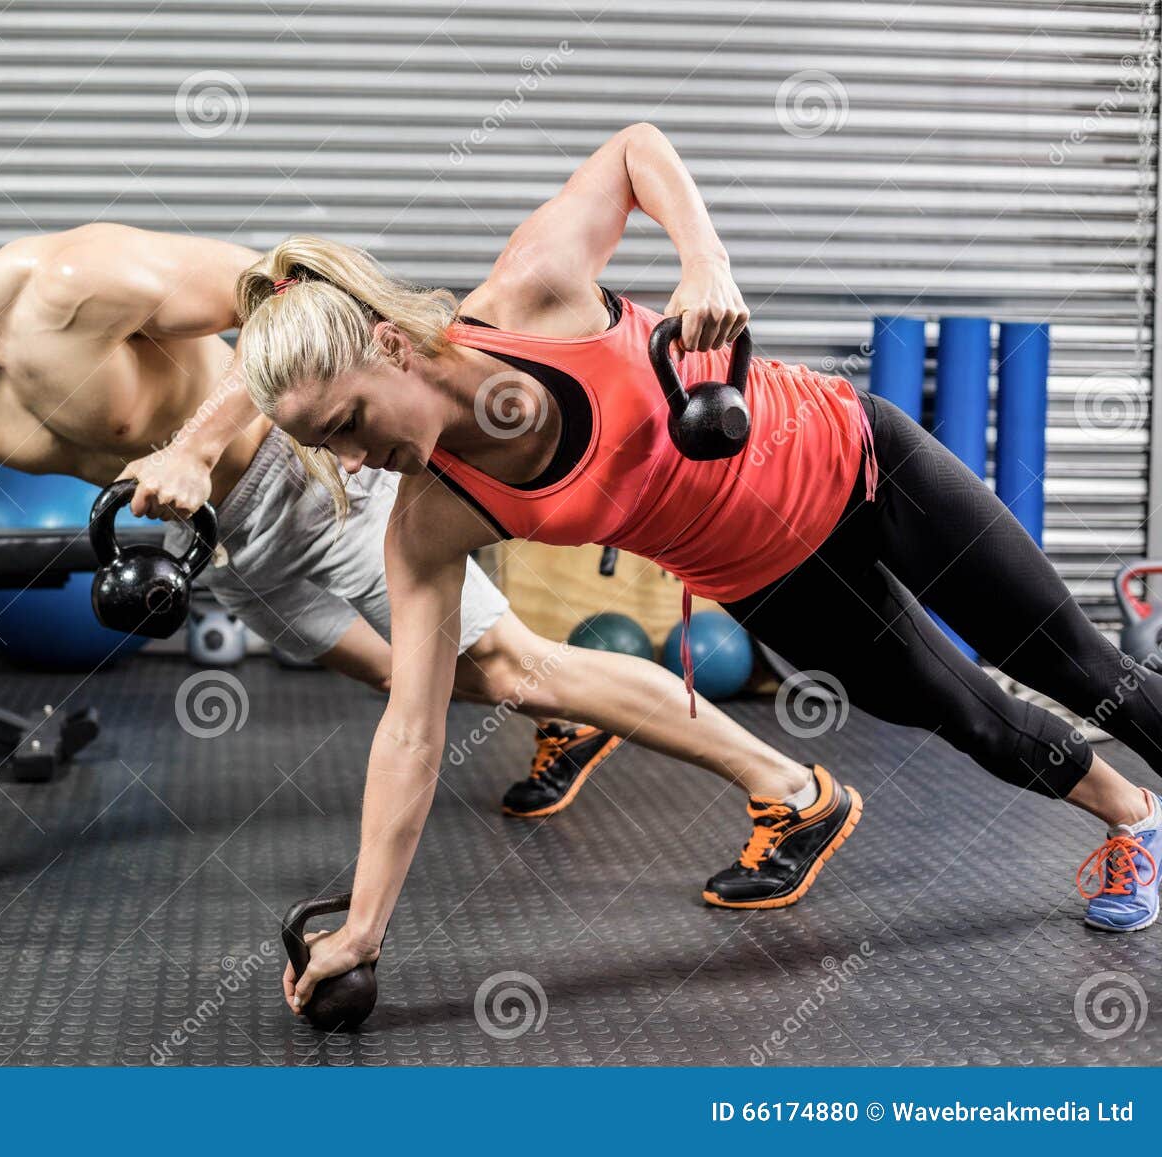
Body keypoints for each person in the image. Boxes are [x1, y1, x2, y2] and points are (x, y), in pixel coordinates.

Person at [230, 121, 1162, 1014]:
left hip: (860, 467)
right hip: (772, 584)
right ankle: (1132, 815)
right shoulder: (427, 523)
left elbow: (634, 149)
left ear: (390, 346)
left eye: (349, 423)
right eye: (326, 447)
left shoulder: (532, 294)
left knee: (1082, 668)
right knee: (971, 716)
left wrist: (704, 261)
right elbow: (410, 731)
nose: (354, 460)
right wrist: (363, 928)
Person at [0, 187, 828, 890]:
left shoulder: (72, 281)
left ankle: (792, 788)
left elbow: (290, 293)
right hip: (229, 552)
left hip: (311, 478)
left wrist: (190, 444)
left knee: (503, 661)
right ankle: (567, 721)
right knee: (420, 678)